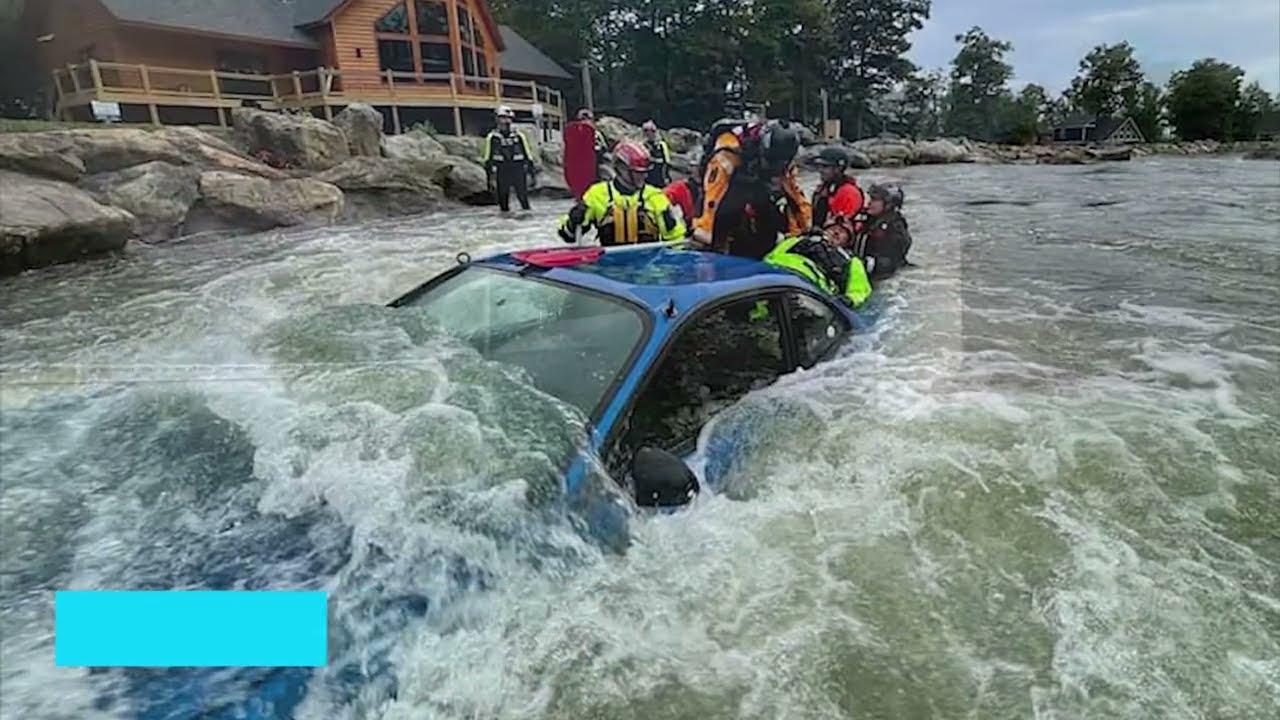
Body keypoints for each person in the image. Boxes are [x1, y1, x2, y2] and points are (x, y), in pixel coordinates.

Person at [691, 118, 812, 261]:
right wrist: (704, 230)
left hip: (757, 182)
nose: (774, 167)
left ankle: (766, 250)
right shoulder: (729, 148)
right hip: (730, 183)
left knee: (771, 209)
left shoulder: (783, 158)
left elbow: (793, 192)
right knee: (727, 210)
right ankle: (717, 244)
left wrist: (804, 227)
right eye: (771, 162)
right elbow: (713, 191)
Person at [557, 140, 686, 246]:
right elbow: (568, 236)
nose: (644, 176)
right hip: (610, 269)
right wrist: (572, 221)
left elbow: (677, 239)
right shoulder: (597, 195)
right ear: (621, 168)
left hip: (647, 268)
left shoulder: (655, 197)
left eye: (645, 172)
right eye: (638, 172)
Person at [764, 219, 873, 308]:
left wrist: (849, 300)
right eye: (833, 229)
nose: (836, 233)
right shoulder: (796, 240)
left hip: (809, 288)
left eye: (842, 232)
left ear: (847, 242)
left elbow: (860, 289)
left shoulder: (850, 261)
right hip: (776, 274)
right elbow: (771, 256)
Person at [479, 106, 536, 213]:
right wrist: (489, 178)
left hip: (518, 169)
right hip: (502, 170)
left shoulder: (519, 136)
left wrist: (531, 173)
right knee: (503, 199)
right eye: (502, 118)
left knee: (523, 197)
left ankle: (527, 221)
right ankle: (505, 221)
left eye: (507, 118)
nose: (505, 121)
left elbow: (527, 154)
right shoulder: (492, 137)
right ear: (497, 119)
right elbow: (488, 157)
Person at [858, 183, 914, 280]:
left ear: (888, 204)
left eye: (875, 200)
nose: (869, 203)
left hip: (887, 278)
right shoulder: (869, 221)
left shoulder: (895, 228)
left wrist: (870, 264)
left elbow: (893, 259)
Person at [810, 146, 866, 231]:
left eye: (825, 166)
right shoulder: (823, 189)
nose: (820, 170)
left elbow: (841, 229)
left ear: (838, 168)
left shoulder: (849, 192)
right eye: (819, 166)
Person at [641, 120, 673, 188]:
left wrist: (666, 178)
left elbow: (666, 162)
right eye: (646, 131)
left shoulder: (661, 145)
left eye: (652, 131)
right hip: (647, 178)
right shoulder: (642, 145)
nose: (649, 133)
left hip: (659, 177)